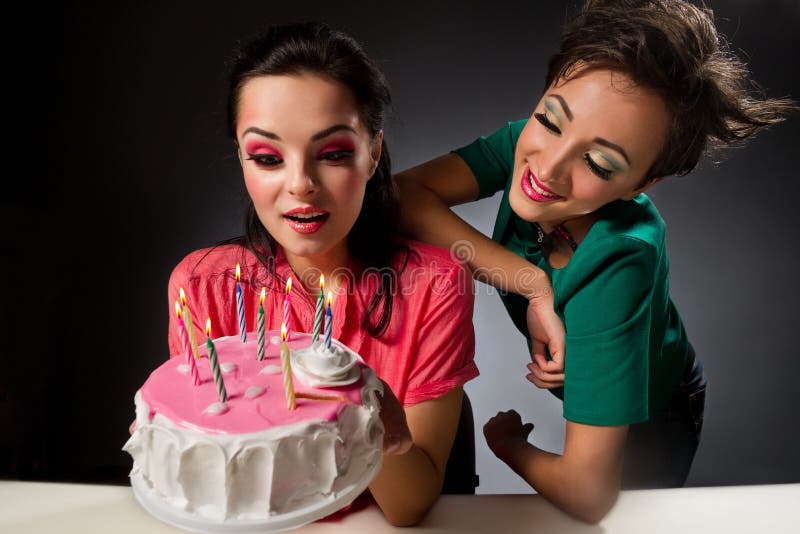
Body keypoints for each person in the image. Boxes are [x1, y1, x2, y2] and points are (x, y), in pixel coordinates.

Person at [395, 0, 795, 524]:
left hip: (657, 408)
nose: (549, 167)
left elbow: (588, 492)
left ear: (643, 184)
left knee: (628, 521)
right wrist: (531, 282)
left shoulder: (619, 266)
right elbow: (400, 195)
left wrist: (509, 444)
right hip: (603, 358)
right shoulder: (529, 145)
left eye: (600, 162)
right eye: (550, 119)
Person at [162, 22, 477, 526]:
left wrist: (372, 421)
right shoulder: (204, 288)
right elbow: (217, 487)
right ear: (241, 159)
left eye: (332, 154)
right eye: (267, 158)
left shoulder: (435, 284)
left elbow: (409, 506)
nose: (301, 184)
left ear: (373, 152)